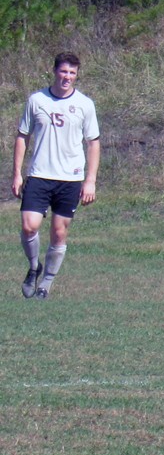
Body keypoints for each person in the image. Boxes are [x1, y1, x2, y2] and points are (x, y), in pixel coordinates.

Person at [11, 52, 100, 300]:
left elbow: (93, 143)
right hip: (39, 175)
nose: (67, 77)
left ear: (77, 75)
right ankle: (33, 267)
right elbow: (22, 136)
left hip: (69, 178)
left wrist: (90, 180)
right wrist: (17, 174)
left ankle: (46, 283)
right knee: (30, 226)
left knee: (59, 233)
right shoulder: (37, 100)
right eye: (63, 71)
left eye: (72, 73)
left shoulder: (85, 105)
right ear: (54, 71)